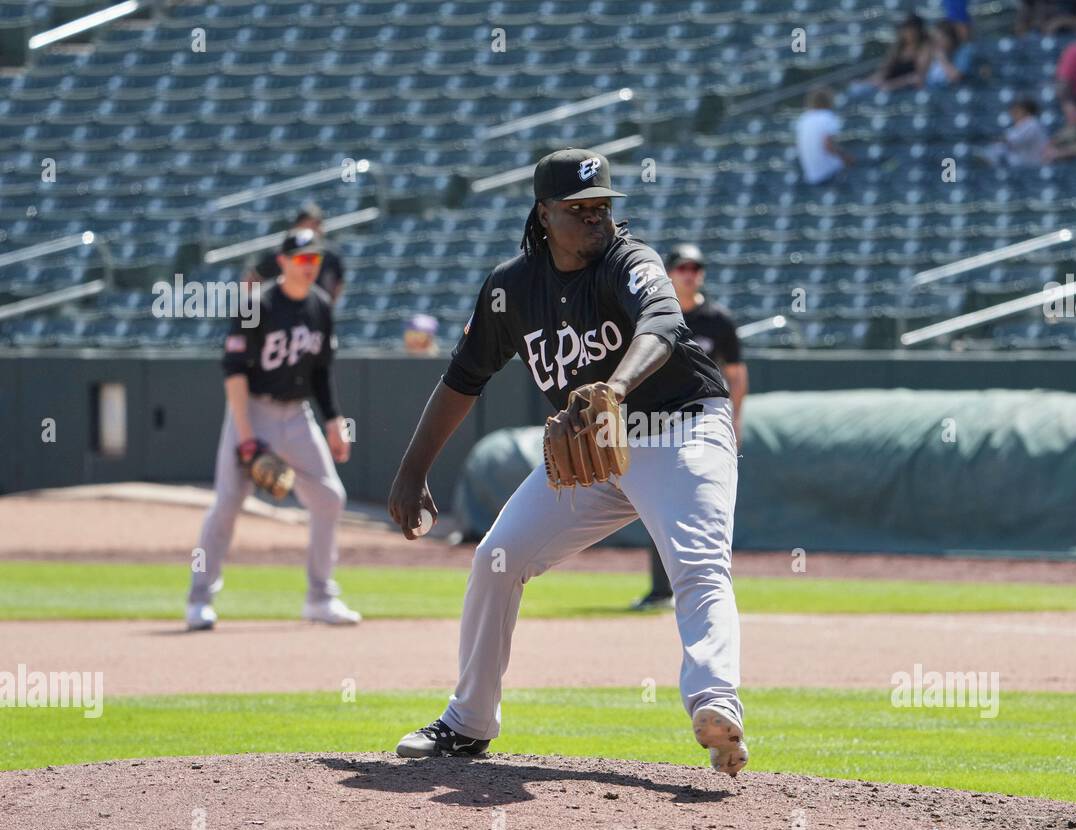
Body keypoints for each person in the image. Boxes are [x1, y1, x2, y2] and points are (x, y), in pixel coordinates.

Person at [387, 148, 749, 776]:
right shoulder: (510, 290)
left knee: (697, 564)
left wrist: (616, 386)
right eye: (579, 210)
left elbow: (662, 322)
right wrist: (412, 469)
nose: (595, 220)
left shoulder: (629, 261)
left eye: (603, 207)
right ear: (544, 214)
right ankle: (468, 722)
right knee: (497, 558)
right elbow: (462, 379)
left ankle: (716, 705)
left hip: (683, 426)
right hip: (596, 447)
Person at [186, 228, 361, 630]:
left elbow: (320, 373)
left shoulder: (320, 306)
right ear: (282, 262)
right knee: (227, 503)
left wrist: (334, 421)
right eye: (300, 259)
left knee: (330, 499)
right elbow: (233, 373)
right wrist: (246, 436)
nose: (308, 266)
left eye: (314, 260)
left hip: (297, 416)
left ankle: (319, 597)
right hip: (253, 410)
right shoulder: (257, 305)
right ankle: (199, 598)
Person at [632, 243, 747, 612]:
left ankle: (703, 590)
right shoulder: (652, 315)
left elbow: (736, 374)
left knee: (702, 505)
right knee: (658, 505)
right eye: (682, 267)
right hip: (655, 420)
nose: (690, 273)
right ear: (667, 273)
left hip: (701, 422)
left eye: (695, 267)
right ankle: (660, 589)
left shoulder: (718, 320)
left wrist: (734, 420)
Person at [244, 202, 347, 304]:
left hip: (312, 308)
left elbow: (338, 284)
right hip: (280, 309)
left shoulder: (330, 255)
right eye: (311, 224)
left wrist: (328, 305)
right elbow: (251, 279)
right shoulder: (284, 252)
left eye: (318, 224)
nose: (316, 229)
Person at [795, 88, 854, 185]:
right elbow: (828, 145)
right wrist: (847, 158)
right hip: (828, 174)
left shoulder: (803, 119)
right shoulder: (827, 117)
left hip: (811, 176)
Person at [859, 13, 929, 91]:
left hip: (905, 89)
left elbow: (917, 77)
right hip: (887, 86)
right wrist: (867, 82)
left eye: (912, 29)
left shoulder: (924, 48)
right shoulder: (898, 47)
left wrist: (892, 85)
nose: (909, 32)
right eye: (906, 29)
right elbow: (884, 70)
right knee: (857, 88)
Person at [976, 98, 1048, 166]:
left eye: (1017, 111)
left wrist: (990, 138)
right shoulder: (1019, 126)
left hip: (1031, 164)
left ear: (1026, 111)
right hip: (1021, 164)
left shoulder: (1032, 123)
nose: (1013, 113)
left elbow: (1010, 140)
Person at [920, 20, 974, 88]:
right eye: (935, 39)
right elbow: (921, 76)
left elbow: (956, 77)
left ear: (950, 38)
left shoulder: (963, 52)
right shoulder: (935, 52)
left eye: (941, 39)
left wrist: (943, 60)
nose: (938, 43)